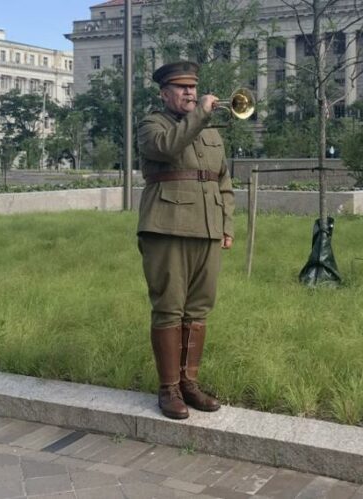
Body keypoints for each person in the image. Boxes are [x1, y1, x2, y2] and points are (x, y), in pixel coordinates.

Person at [137, 61, 235, 419]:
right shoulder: (153, 125)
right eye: (181, 88)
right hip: (167, 226)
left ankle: (189, 383)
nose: (190, 93)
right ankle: (168, 389)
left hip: (207, 228)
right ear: (165, 94)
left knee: (198, 310)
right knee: (169, 308)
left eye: (193, 88)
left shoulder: (210, 132)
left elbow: (222, 181)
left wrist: (226, 225)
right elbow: (167, 149)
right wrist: (201, 117)